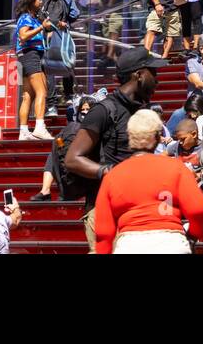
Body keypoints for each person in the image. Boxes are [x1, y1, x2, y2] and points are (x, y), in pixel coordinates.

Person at [65, 47, 169, 249]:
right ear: (138, 75)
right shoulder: (104, 110)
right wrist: (113, 172)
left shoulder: (141, 109)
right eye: (152, 72)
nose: (157, 79)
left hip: (137, 209)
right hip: (105, 210)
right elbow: (72, 159)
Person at [91, 109, 203, 254]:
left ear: (129, 137)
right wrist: (193, 234)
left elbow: (103, 230)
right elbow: (199, 209)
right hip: (171, 243)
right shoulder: (175, 167)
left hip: (130, 246)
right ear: (158, 137)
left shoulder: (113, 175)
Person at [34, 0, 80, 115]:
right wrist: (64, 22)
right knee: (67, 60)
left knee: (47, 67)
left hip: (43, 34)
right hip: (62, 33)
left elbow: (32, 13)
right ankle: (69, 96)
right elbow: (75, 13)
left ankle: (52, 105)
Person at [33, 95, 94, 201]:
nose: (84, 112)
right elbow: (60, 144)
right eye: (82, 109)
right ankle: (45, 190)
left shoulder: (98, 127)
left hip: (87, 173)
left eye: (88, 109)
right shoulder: (74, 127)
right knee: (54, 153)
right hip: (69, 171)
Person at [13, 0, 54, 141]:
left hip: (23, 57)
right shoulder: (25, 17)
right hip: (30, 55)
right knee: (42, 92)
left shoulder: (33, 18)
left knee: (27, 96)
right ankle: (39, 127)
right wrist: (42, 27)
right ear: (31, 2)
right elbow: (23, 36)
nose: (41, 1)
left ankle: (23, 131)